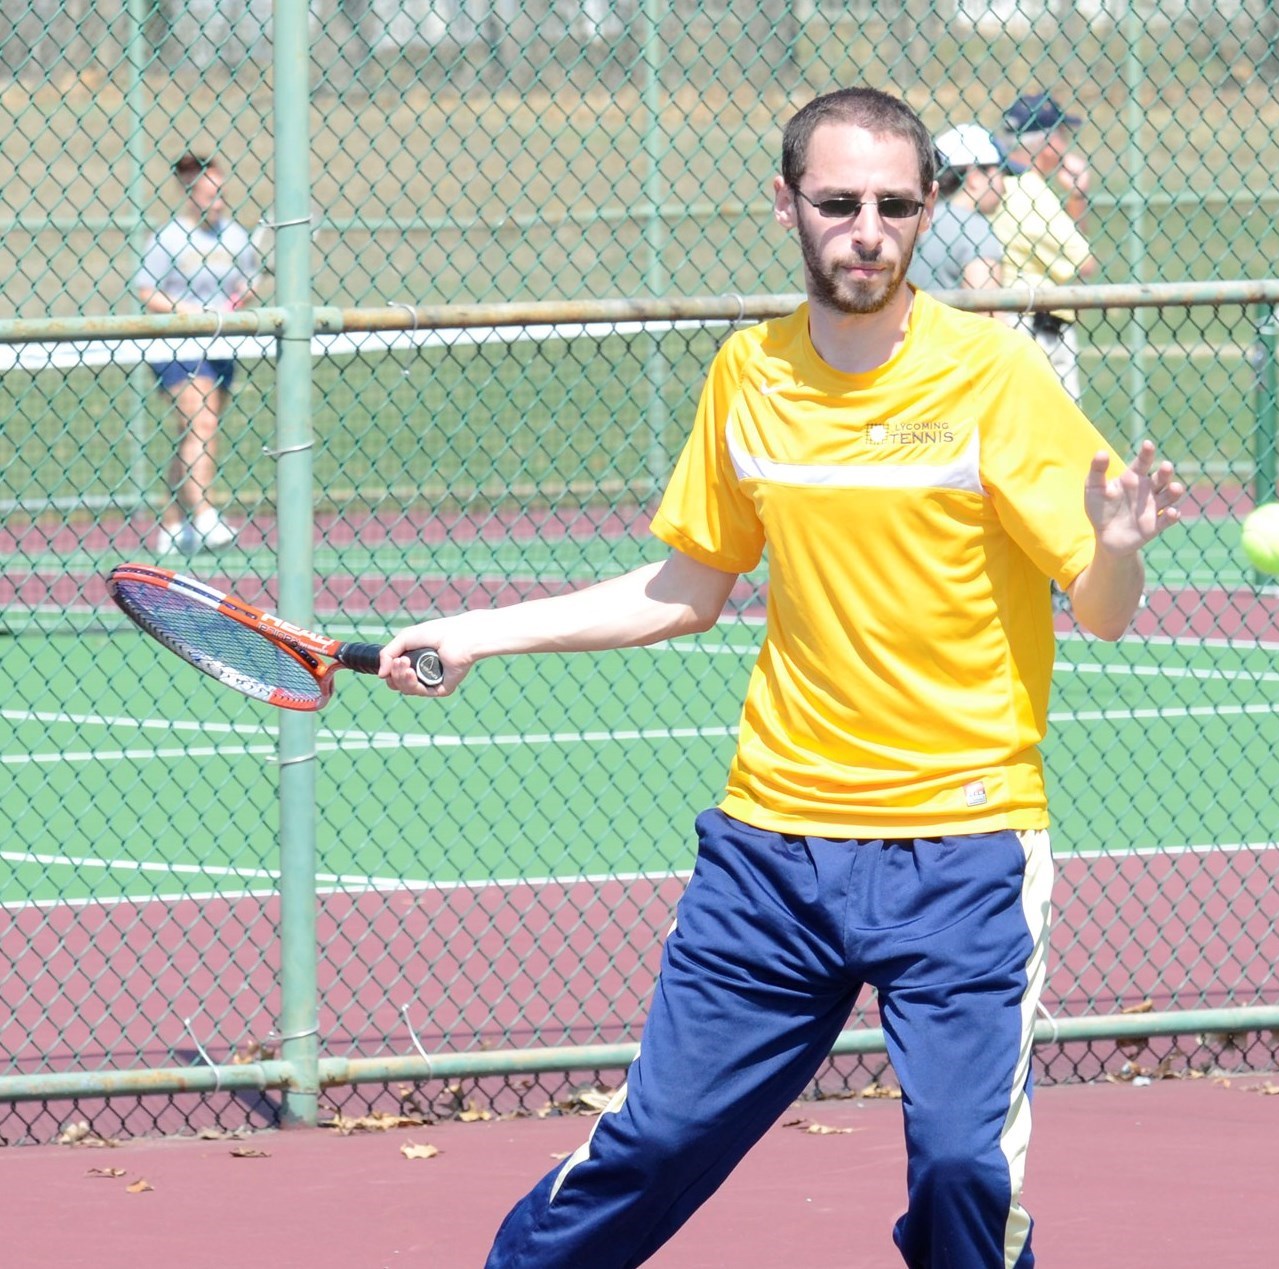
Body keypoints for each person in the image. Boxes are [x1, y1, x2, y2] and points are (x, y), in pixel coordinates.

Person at [381, 86, 1182, 1269]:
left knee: (966, 1171)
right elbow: (684, 590)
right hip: (773, 856)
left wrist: (1114, 550)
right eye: (840, 202)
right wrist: (484, 631)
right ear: (787, 205)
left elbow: (1105, 617)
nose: (869, 230)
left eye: (895, 205)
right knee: (652, 1145)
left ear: (923, 215)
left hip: (963, 853)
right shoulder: (749, 377)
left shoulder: (997, 380)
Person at [133, 151, 263, 556]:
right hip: (177, 346)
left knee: (196, 433)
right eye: (207, 190)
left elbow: (248, 284)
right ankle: (205, 516)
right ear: (189, 191)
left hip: (221, 346)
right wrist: (189, 311)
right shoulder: (168, 238)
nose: (216, 197)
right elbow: (146, 292)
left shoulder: (236, 236)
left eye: (220, 189)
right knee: (201, 425)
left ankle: (172, 524)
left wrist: (242, 300)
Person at [992, 92, 1097, 403]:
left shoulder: (1001, 184)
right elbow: (1084, 262)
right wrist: (1078, 195)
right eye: (1062, 135)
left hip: (1016, 324)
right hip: (1038, 331)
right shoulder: (1032, 194)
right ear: (1048, 144)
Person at [907, 122, 1007, 297]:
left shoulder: (917, 216)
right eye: (1000, 174)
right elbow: (986, 314)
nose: (1004, 188)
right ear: (975, 177)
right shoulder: (975, 230)